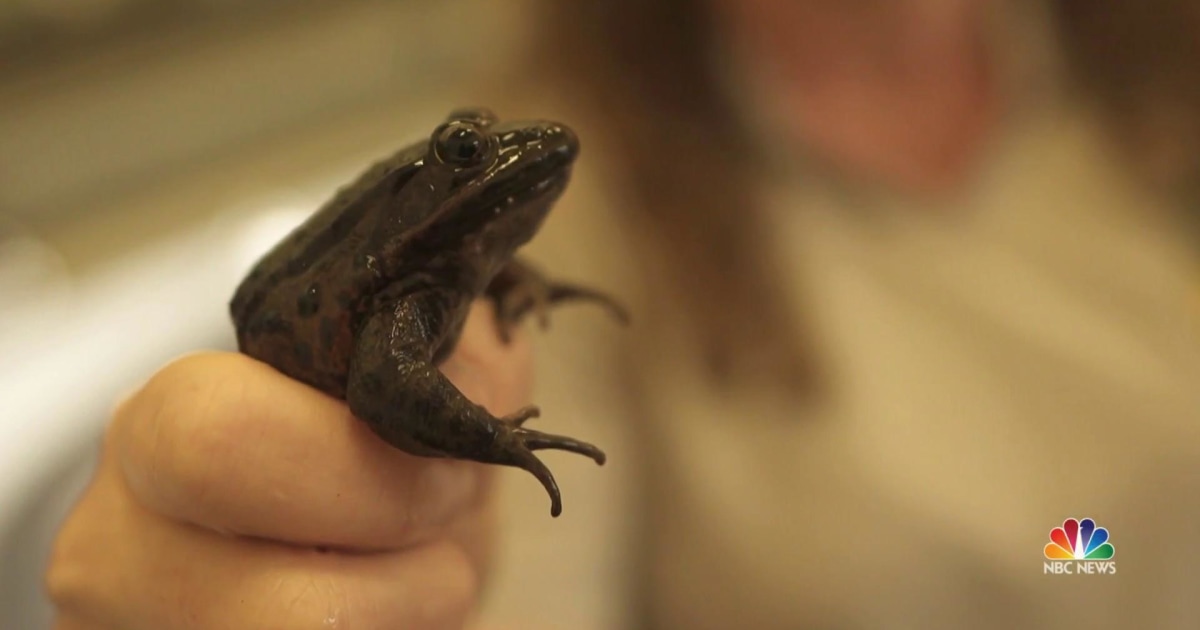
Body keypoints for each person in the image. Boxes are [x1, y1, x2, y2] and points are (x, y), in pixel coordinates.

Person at [44, 1, 1200, 628]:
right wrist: (453, 503)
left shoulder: (1149, 58)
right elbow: (492, 533)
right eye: (466, 153)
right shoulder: (608, 202)